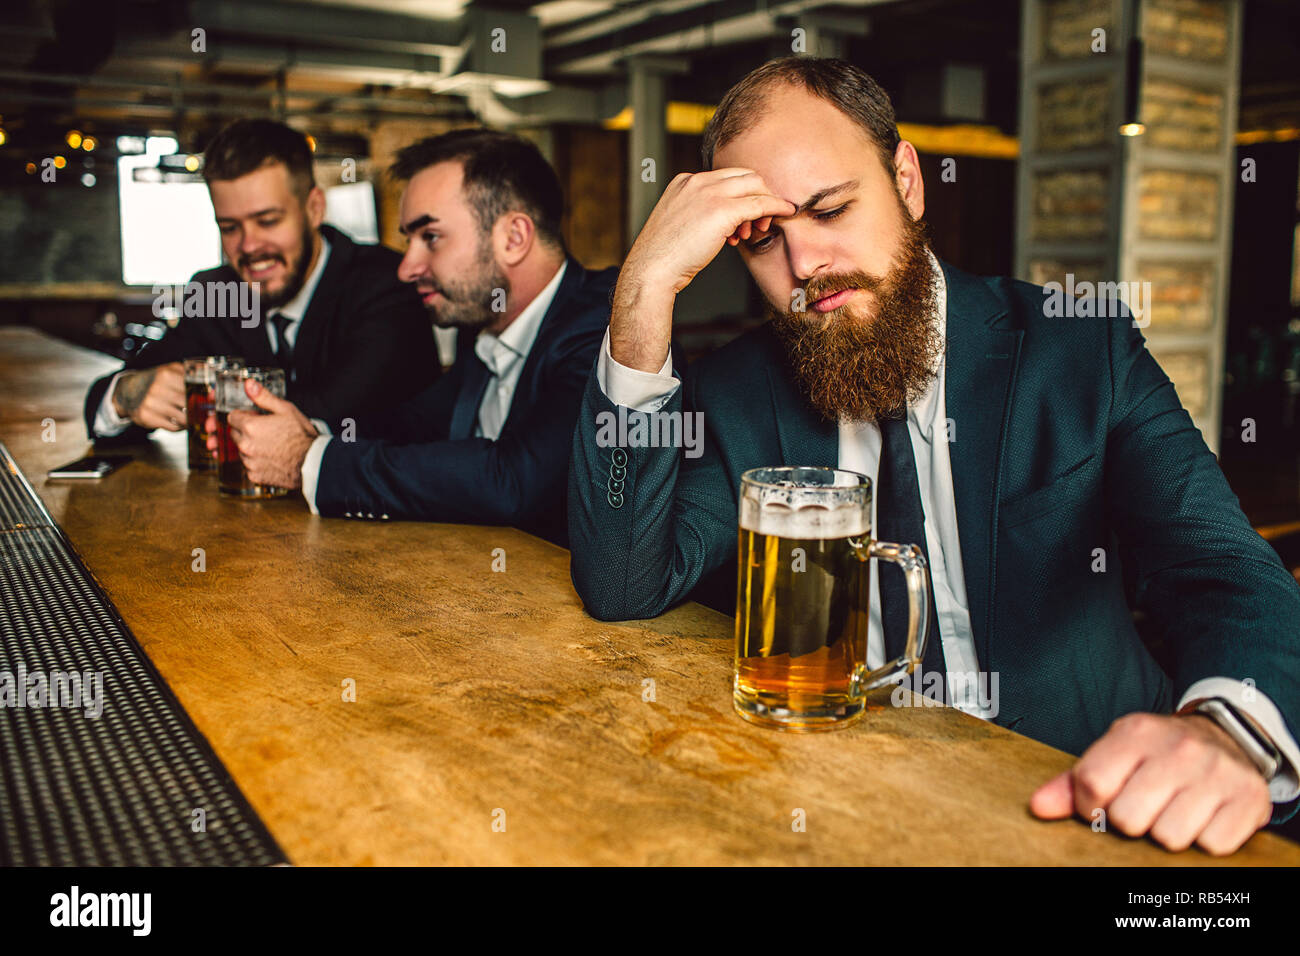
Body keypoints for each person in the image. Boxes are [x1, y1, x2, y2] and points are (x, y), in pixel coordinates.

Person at [567, 56, 1300, 854]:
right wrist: (641, 296)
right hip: (839, 810)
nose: (805, 266)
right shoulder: (736, 392)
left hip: (1083, 800)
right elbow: (624, 582)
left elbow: (1224, 570)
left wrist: (1229, 731)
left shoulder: (1080, 349)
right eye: (763, 240)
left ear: (907, 183)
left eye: (832, 209)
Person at [212, 129, 617, 546]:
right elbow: (412, 425)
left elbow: (512, 480)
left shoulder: (606, 330)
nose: (406, 268)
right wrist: (307, 431)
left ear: (514, 238)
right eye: (410, 241)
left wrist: (307, 460)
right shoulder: (482, 325)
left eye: (431, 238)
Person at [84, 119, 439, 442]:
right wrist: (129, 393)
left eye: (268, 220)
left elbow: (335, 413)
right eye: (230, 227)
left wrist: (210, 401)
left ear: (314, 209)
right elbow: (106, 401)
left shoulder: (386, 282)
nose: (249, 247)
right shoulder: (215, 293)